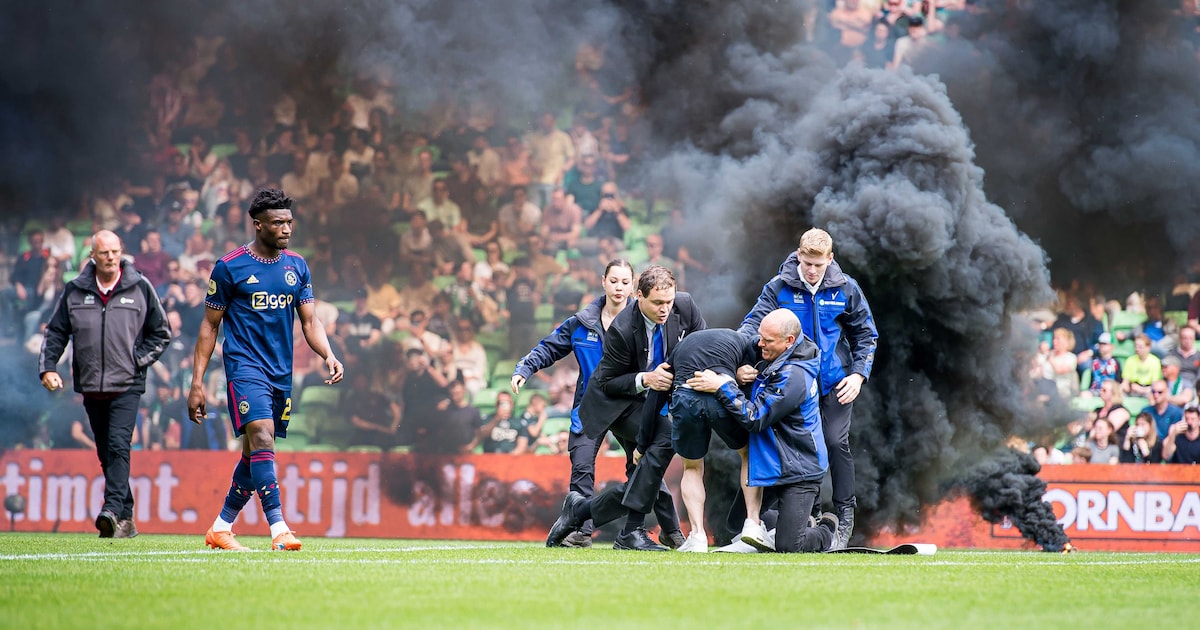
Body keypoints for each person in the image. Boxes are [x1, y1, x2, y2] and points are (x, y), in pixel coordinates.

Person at [188, 188, 344, 552]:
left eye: (289, 221)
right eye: (278, 223)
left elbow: (309, 321)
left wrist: (328, 354)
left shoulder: (297, 267)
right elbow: (209, 326)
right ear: (258, 225)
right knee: (261, 436)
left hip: (280, 373)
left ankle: (221, 526)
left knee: (254, 451)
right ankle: (279, 529)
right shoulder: (230, 267)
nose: (287, 228)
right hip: (244, 366)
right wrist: (196, 383)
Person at [512, 259, 683, 548]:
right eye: (613, 280)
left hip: (632, 404)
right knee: (581, 467)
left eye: (625, 282)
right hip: (592, 405)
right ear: (602, 281)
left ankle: (671, 530)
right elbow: (550, 347)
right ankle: (579, 532)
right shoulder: (582, 322)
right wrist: (524, 369)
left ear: (635, 288)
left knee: (647, 467)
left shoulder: (648, 320)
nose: (619, 287)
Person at [546, 265, 704, 551]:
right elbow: (607, 382)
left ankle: (583, 512)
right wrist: (646, 379)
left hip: (652, 401)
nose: (665, 309)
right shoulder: (621, 329)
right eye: (657, 303)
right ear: (638, 296)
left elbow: (700, 344)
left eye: (669, 301)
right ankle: (634, 531)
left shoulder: (684, 305)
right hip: (615, 402)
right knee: (665, 439)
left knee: (647, 465)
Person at [737, 227, 877, 549]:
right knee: (799, 446)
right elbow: (750, 326)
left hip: (834, 383)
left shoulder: (846, 288)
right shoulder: (778, 287)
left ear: (830, 259)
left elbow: (866, 336)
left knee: (833, 442)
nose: (812, 270)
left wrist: (858, 375)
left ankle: (843, 516)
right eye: (807, 262)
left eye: (819, 264)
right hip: (795, 385)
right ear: (799, 255)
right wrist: (736, 359)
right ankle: (810, 515)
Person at [38, 230, 171, 539]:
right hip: (90, 384)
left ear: (121, 252)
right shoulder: (74, 290)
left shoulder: (140, 287)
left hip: (128, 383)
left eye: (115, 251)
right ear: (93, 256)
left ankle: (110, 510)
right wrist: (47, 368)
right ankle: (126, 516)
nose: (111, 257)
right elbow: (56, 332)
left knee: (118, 445)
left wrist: (136, 360)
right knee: (105, 451)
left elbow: (160, 332)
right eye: (104, 252)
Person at [689, 309, 839, 553]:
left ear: (789, 341)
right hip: (770, 464)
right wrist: (736, 374)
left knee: (789, 546)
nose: (760, 344)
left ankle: (825, 530)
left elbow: (755, 418)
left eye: (767, 341)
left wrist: (723, 385)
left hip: (799, 470)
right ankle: (798, 522)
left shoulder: (796, 376)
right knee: (739, 525)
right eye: (761, 337)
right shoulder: (777, 351)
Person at [655, 328, 762, 553]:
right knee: (749, 454)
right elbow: (753, 372)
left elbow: (659, 391)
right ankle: (752, 524)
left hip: (685, 395)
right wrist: (737, 374)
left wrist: (643, 443)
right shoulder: (744, 343)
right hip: (721, 396)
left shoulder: (681, 347)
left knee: (692, 467)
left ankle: (697, 537)